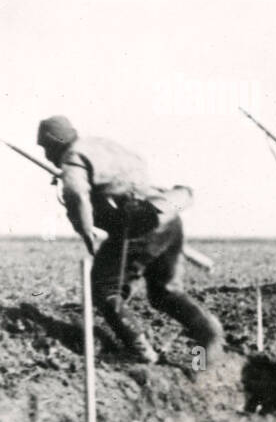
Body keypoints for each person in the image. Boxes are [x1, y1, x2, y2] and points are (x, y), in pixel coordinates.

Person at [35, 115, 223, 364]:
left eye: (46, 148)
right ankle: (204, 344)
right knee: (166, 293)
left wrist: (86, 230)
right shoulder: (101, 146)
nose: (47, 155)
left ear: (54, 143)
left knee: (105, 290)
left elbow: (77, 194)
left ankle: (140, 351)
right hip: (167, 219)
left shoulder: (73, 158)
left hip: (137, 227)